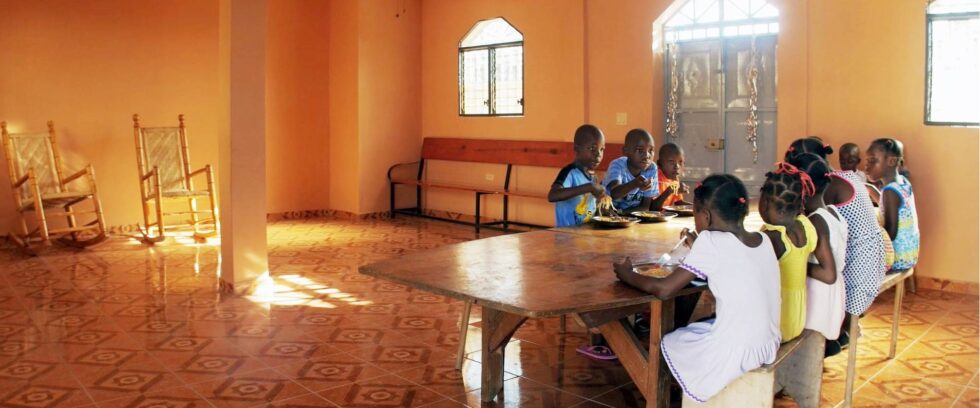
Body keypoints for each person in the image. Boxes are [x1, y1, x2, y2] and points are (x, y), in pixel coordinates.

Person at [612, 174, 781, 403]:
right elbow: (731, 266)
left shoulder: (710, 241)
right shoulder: (763, 239)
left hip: (738, 351)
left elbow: (664, 289)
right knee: (699, 327)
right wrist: (698, 247)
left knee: (672, 342)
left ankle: (664, 394)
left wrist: (627, 274)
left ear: (707, 216)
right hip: (767, 342)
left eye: (695, 216)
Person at [786, 137, 885, 349]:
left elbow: (805, 223)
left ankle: (831, 335)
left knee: (792, 270)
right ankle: (836, 332)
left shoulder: (829, 187)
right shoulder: (844, 177)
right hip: (872, 264)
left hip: (859, 276)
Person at [790, 153, 848, 355]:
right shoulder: (832, 211)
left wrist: (794, 263)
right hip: (833, 294)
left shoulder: (816, 220)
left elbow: (827, 274)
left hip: (821, 294)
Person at [758, 162, 818, 342]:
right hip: (797, 320)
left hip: (776, 325)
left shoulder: (773, 237)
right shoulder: (806, 226)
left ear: (768, 204)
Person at [865, 138, 920, 272]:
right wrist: (871, 190)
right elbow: (889, 206)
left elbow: (891, 233)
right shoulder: (902, 182)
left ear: (891, 161)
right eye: (867, 161)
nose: (867, 166)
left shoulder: (890, 191)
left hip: (896, 259)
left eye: (872, 161)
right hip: (909, 255)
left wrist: (868, 236)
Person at [548, 124, 607, 227]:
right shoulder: (569, 172)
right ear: (577, 149)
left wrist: (603, 210)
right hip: (567, 238)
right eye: (592, 149)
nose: (598, 154)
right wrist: (589, 187)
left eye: (602, 149)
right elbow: (553, 195)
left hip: (586, 235)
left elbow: (591, 206)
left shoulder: (593, 176)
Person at [602, 129, 659, 213]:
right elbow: (614, 194)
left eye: (651, 151)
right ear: (626, 151)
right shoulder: (617, 165)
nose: (647, 155)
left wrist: (621, 213)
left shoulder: (651, 168)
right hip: (606, 211)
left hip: (628, 215)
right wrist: (634, 184)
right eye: (640, 150)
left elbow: (645, 207)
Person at [652, 143, 691, 210]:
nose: (677, 167)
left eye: (680, 162)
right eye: (671, 162)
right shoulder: (655, 178)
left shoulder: (674, 178)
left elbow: (678, 202)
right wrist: (670, 190)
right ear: (660, 164)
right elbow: (652, 208)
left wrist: (697, 207)